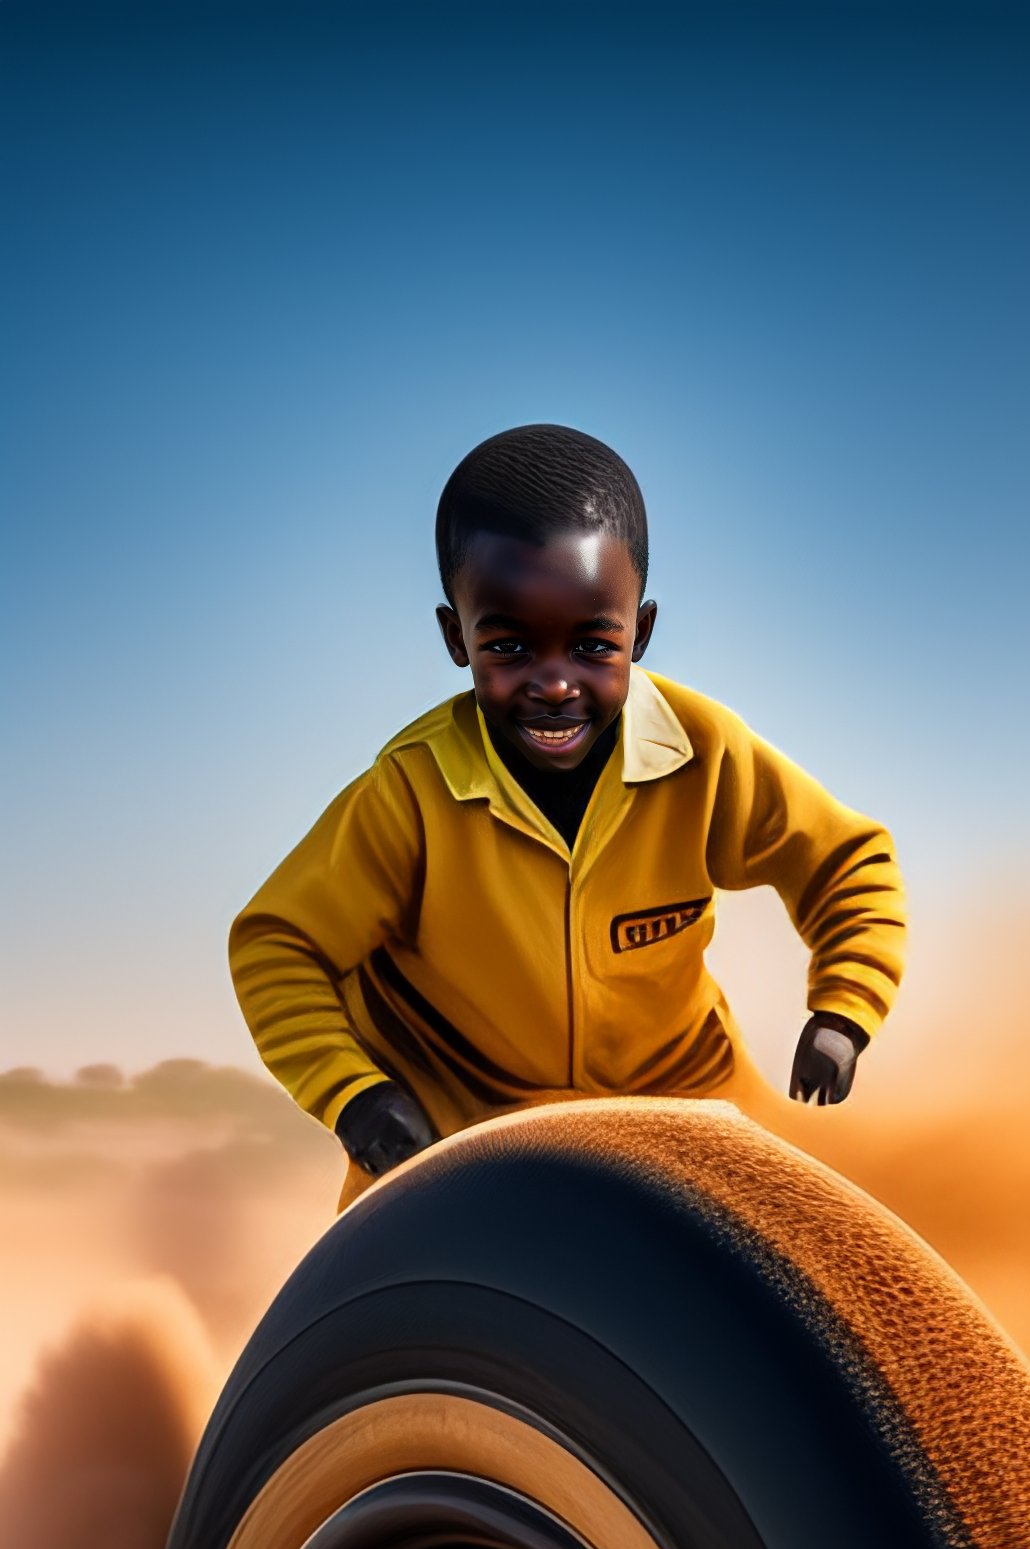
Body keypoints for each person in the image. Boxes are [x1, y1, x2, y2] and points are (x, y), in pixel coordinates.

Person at [230, 425, 907, 1196]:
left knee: (819, 1281)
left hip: (687, 1121)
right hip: (461, 1150)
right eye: (511, 649)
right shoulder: (408, 796)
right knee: (396, 1316)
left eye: (592, 646)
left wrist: (844, 1011)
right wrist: (354, 1096)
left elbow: (847, 861)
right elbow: (276, 945)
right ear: (457, 637)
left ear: (640, 632)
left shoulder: (704, 753)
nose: (555, 685)